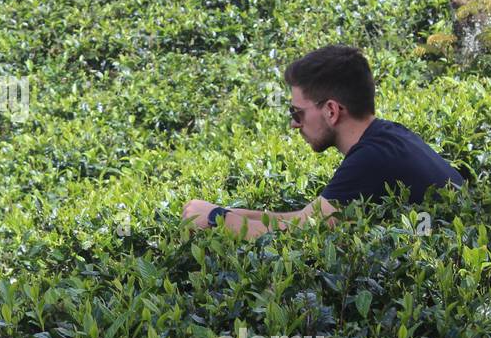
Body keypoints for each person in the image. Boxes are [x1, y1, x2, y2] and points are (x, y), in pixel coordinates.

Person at [182, 44, 465, 240]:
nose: (293, 123)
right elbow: (301, 219)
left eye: (297, 112)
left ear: (331, 110)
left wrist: (214, 218)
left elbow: (299, 235)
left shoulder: (372, 159)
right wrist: (224, 212)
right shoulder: (388, 137)